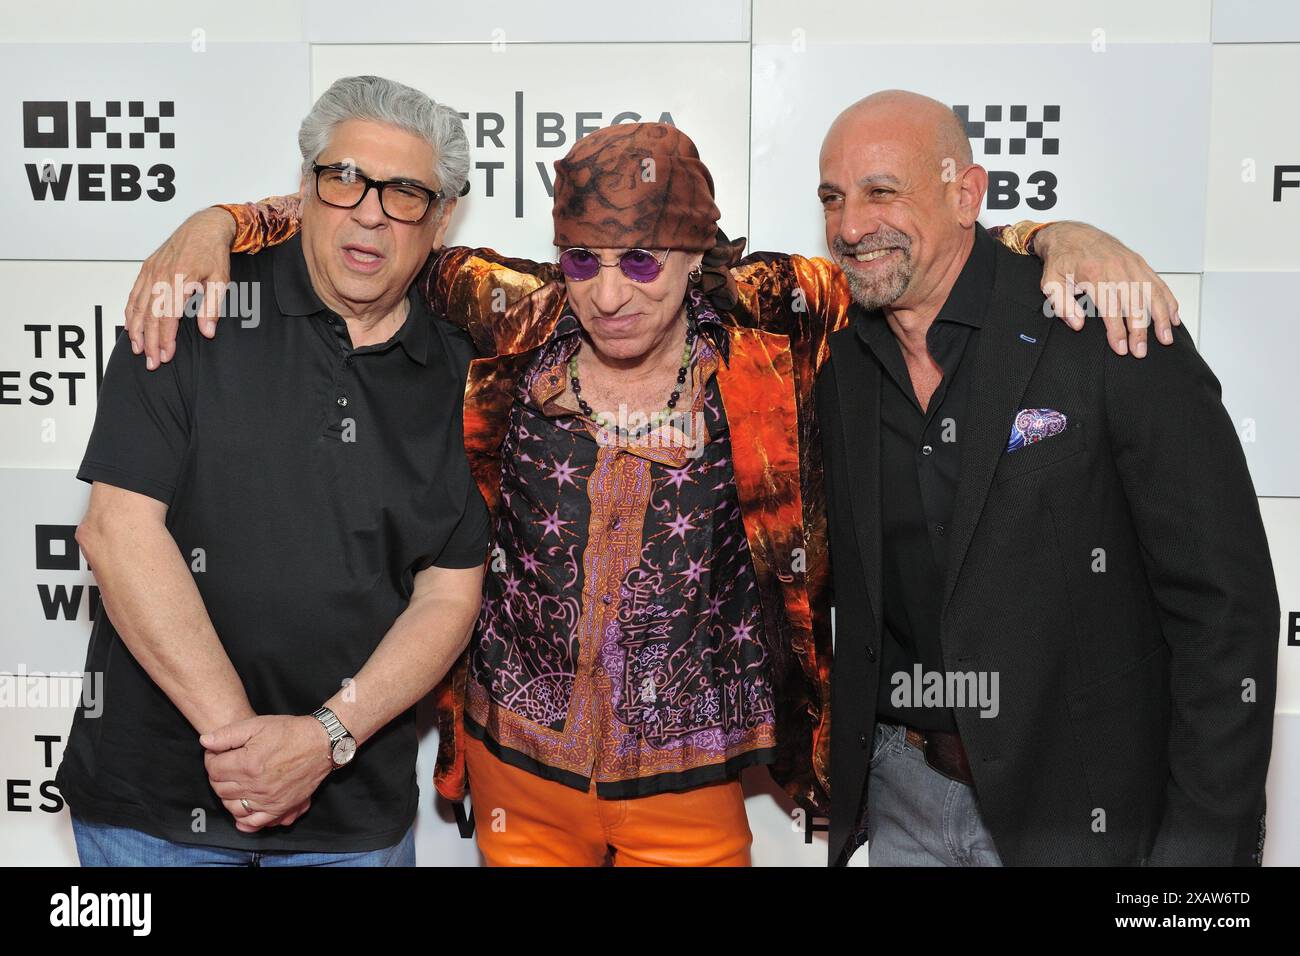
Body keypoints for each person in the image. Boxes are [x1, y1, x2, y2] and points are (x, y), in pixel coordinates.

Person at [123, 114, 1177, 866]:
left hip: (690, 779)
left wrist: (1051, 237)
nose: (611, 291)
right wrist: (214, 221)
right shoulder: (510, 308)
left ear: (696, 256)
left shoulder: (770, 316)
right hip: (513, 766)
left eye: (641, 259)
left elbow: (921, 254)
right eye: (582, 261)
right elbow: (363, 219)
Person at [815, 90, 1278, 866]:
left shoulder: (1106, 327)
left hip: (1082, 816)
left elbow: (1225, 610)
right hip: (906, 799)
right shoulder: (837, 363)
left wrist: (1199, 859)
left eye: (881, 191)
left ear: (967, 194)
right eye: (832, 198)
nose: (852, 225)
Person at [56, 75, 489, 866]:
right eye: (344, 177)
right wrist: (248, 752)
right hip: (149, 813)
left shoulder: (469, 375)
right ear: (304, 188)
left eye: (404, 193)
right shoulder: (191, 304)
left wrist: (326, 739)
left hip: (353, 821)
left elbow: (449, 591)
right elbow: (117, 534)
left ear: (442, 216)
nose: (368, 210)